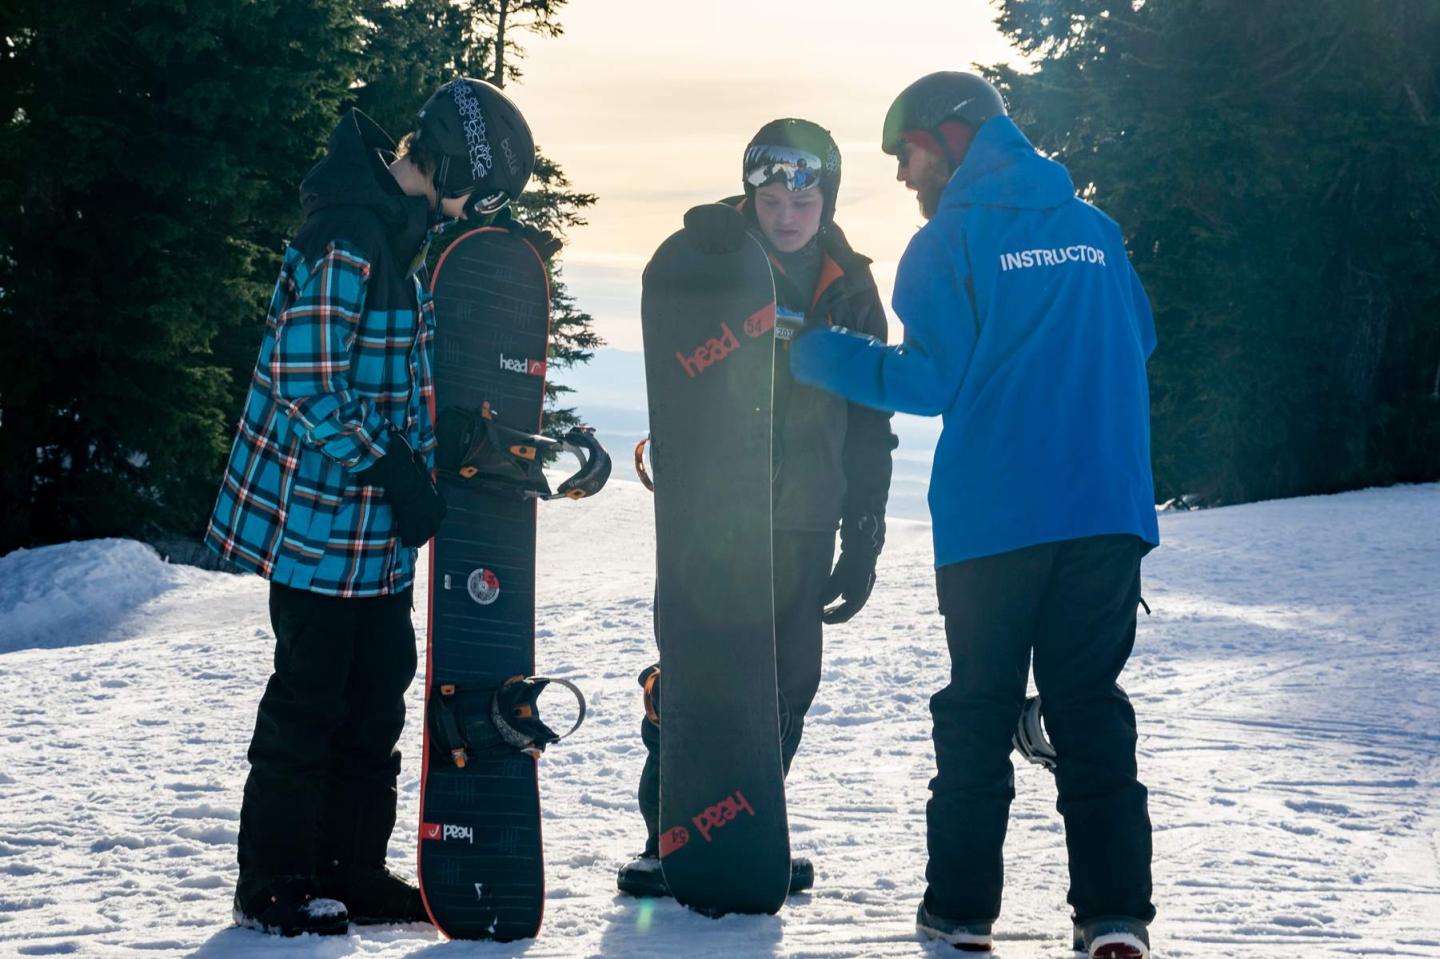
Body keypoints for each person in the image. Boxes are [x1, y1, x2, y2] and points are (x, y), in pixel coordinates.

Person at [790, 73, 1159, 959]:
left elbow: (927, 381)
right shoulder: (1092, 230)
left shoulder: (946, 239)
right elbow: (1138, 336)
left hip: (997, 521)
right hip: (1108, 512)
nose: (904, 175)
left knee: (980, 711)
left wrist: (813, 352)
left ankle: (960, 914)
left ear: (951, 140)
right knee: (1088, 708)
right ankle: (1114, 918)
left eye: (908, 154)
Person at [205, 77, 549, 937]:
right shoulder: (351, 235)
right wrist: (393, 469)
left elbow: (391, 375)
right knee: (310, 700)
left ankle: (349, 866)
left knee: (377, 697)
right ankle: (273, 880)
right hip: (323, 525)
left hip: (374, 537)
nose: (474, 208)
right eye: (481, 188)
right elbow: (304, 379)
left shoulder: (399, 236)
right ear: (458, 167)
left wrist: (442, 446)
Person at [617, 119, 898, 899]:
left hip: (806, 511)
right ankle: (666, 835)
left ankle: (744, 823)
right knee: (700, 674)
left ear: (826, 200)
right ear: (750, 194)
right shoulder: (715, 257)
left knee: (788, 680)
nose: (784, 214)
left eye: (801, 200)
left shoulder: (849, 284)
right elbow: (670, 329)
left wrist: (865, 526)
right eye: (769, 197)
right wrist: (698, 250)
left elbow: (872, 416)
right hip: (714, 511)